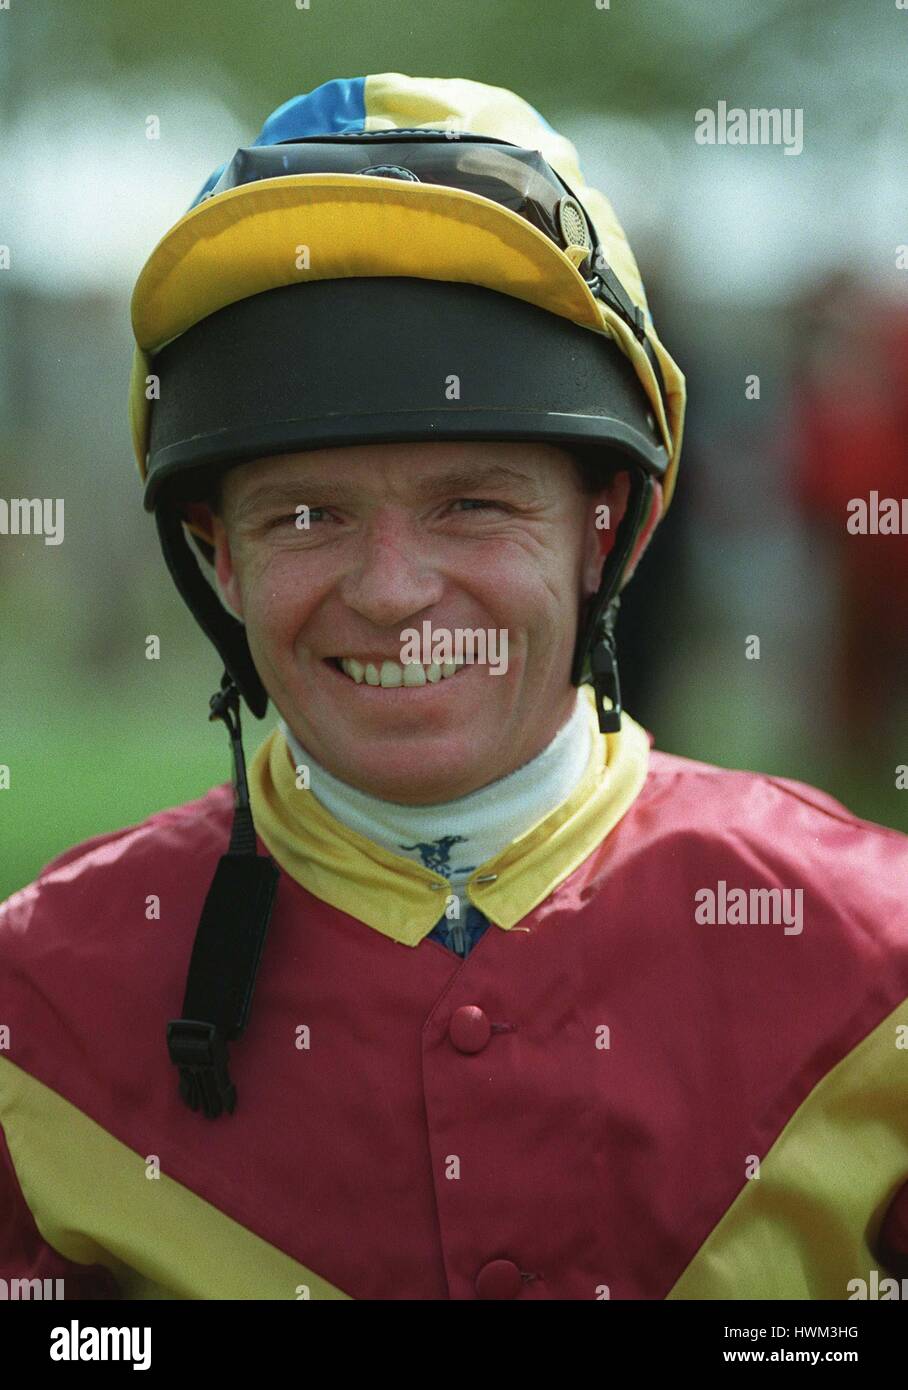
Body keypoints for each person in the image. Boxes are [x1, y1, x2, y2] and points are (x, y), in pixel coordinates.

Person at [1, 74, 906, 1303]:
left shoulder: (874, 958)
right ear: (220, 559)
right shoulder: (34, 1010)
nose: (388, 591)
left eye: (472, 504)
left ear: (606, 532)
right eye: (308, 515)